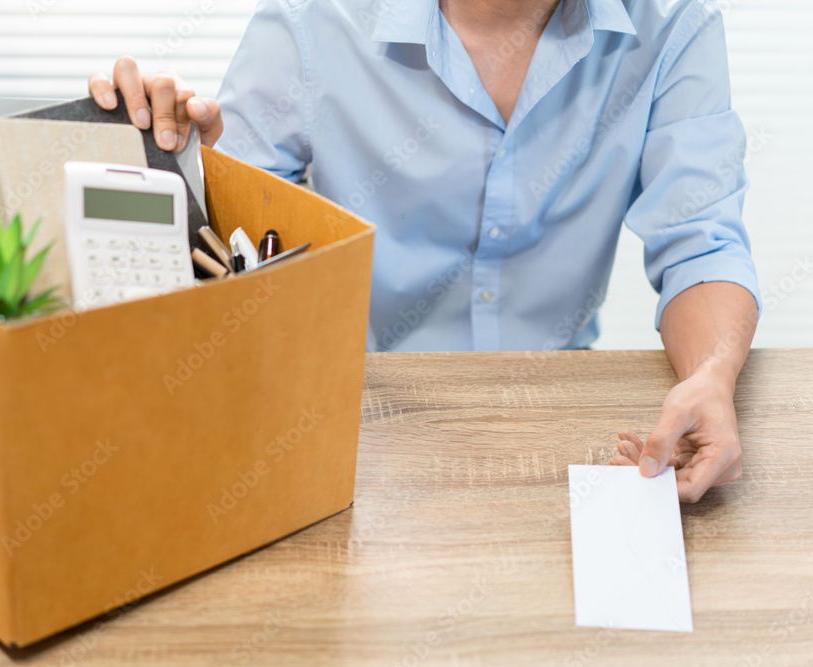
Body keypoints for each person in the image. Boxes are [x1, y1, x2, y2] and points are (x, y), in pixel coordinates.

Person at [88, 0, 760, 503]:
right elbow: (236, 249)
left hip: (564, 426)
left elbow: (701, 242)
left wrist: (712, 374)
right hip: (357, 421)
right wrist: (174, 163)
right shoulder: (312, 22)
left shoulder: (674, 25)